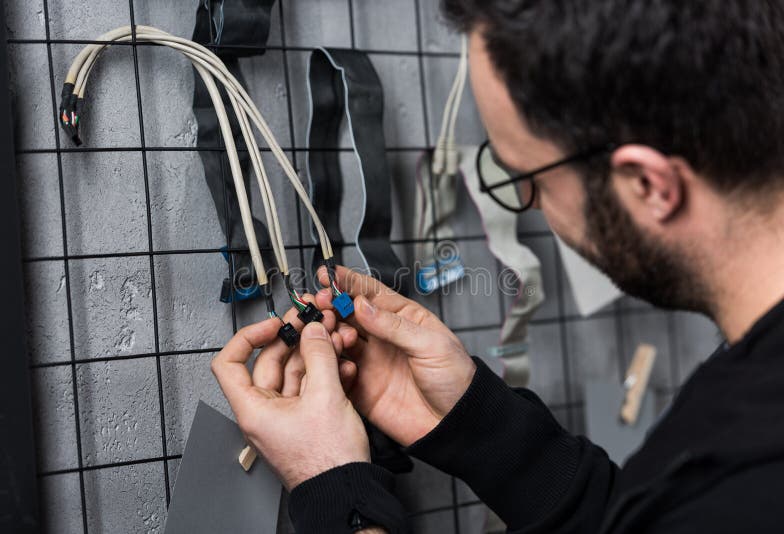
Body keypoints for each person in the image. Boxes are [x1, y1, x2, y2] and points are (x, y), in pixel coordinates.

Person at [210, 1, 784, 532]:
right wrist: (482, 426)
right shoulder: (747, 421)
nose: (530, 202)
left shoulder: (744, 475)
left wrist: (336, 492)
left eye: (527, 177)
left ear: (648, 185)